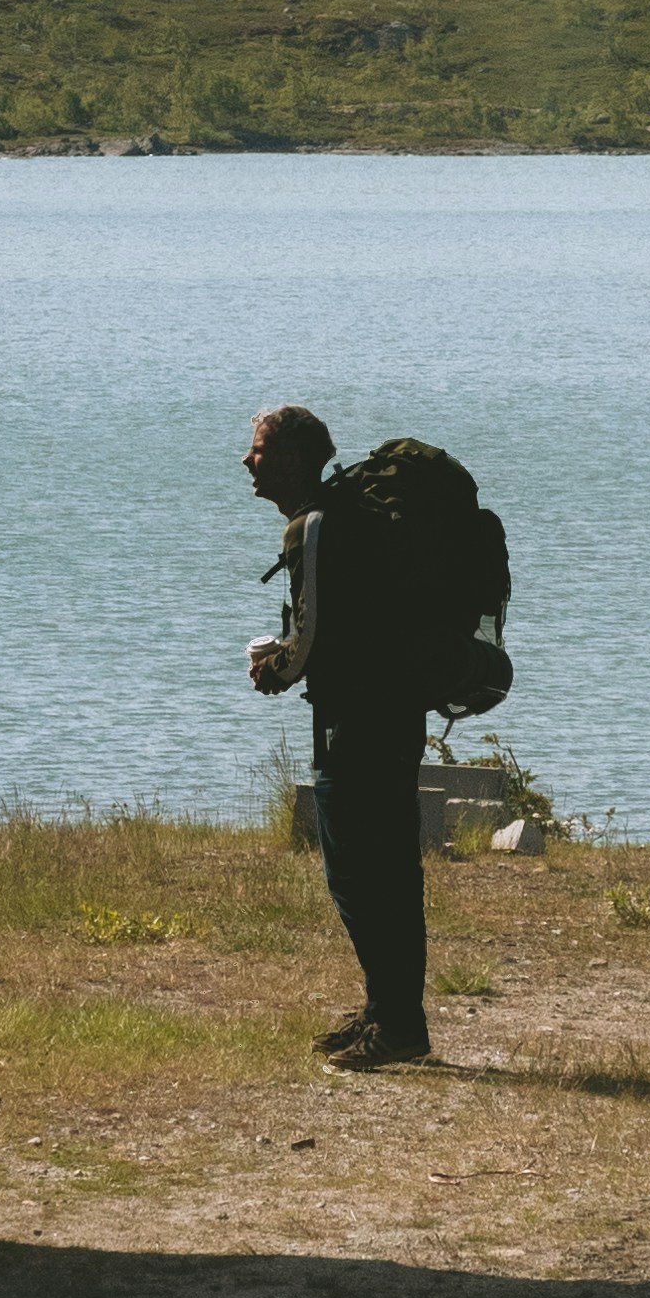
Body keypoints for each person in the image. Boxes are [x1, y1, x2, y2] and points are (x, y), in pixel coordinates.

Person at [242, 400, 432, 1070]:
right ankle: (388, 1013)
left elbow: (312, 638)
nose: (247, 460)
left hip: (357, 724)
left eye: (258, 448)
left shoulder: (313, 528)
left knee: (359, 875)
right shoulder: (348, 516)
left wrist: (276, 670)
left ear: (292, 457)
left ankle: (399, 1023)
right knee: (390, 871)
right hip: (396, 713)